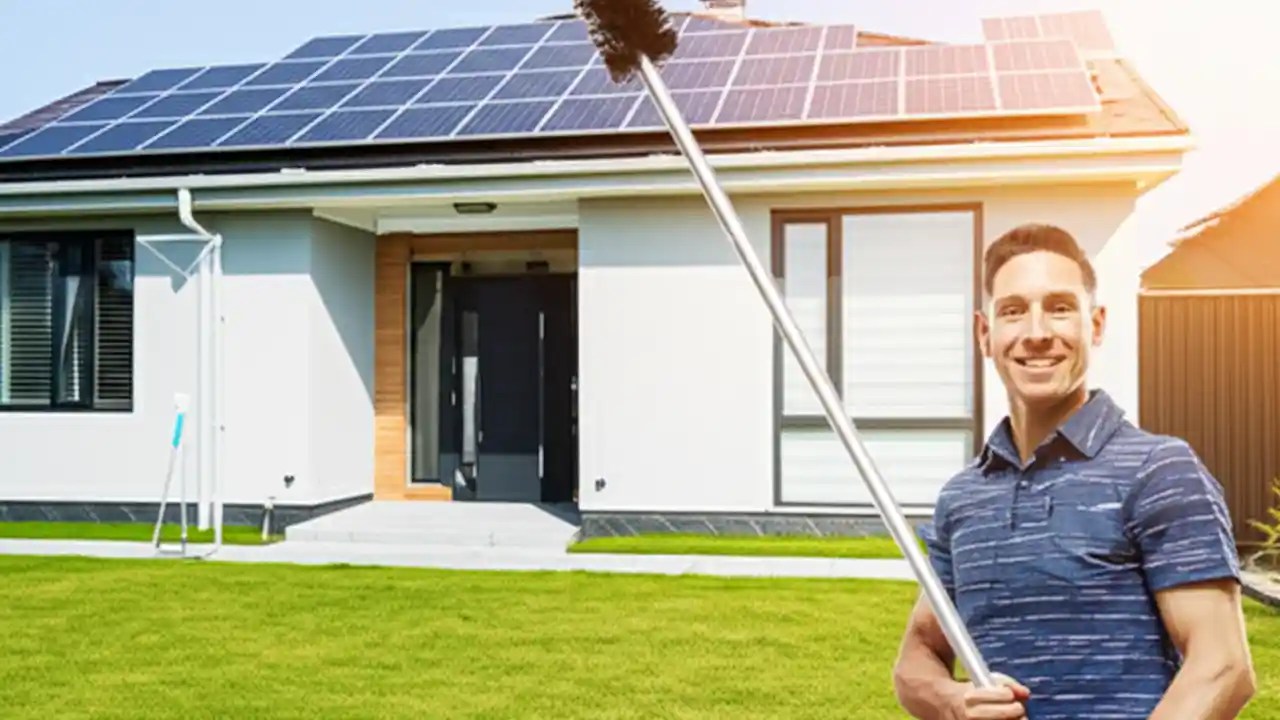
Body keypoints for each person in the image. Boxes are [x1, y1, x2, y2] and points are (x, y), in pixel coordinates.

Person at [892, 224, 1256, 719]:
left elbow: (1222, 666)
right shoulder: (963, 498)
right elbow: (918, 657)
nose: (1037, 334)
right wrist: (954, 701)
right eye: (1013, 311)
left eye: (1060, 308)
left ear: (1097, 324)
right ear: (985, 333)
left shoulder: (1159, 470)